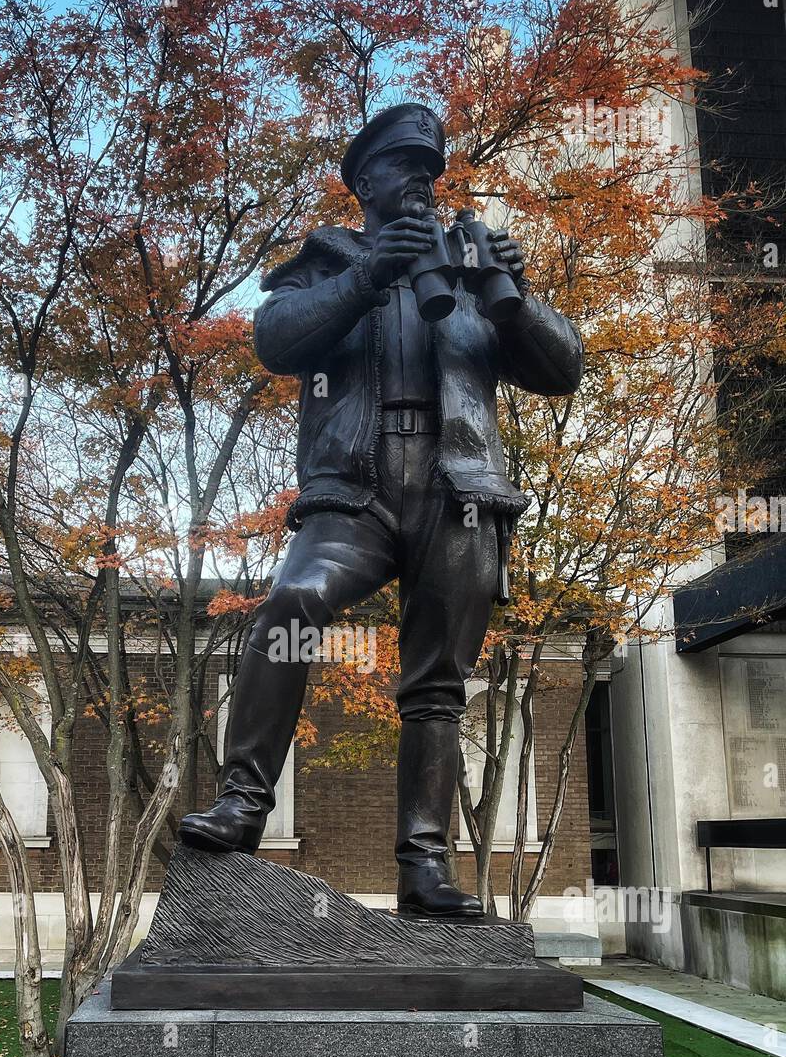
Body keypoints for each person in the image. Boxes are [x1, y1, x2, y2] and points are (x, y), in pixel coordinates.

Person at [180, 103, 583, 917]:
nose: (423, 184)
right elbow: (276, 341)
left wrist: (516, 296)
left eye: (431, 172)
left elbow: (561, 369)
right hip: (354, 490)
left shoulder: (468, 263)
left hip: (459, 487)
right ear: (365, 183)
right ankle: (244, 804)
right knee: (293, 604)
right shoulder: (327, 261)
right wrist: (368, 277)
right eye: (406, 170)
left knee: (437, 682)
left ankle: (424, 869)